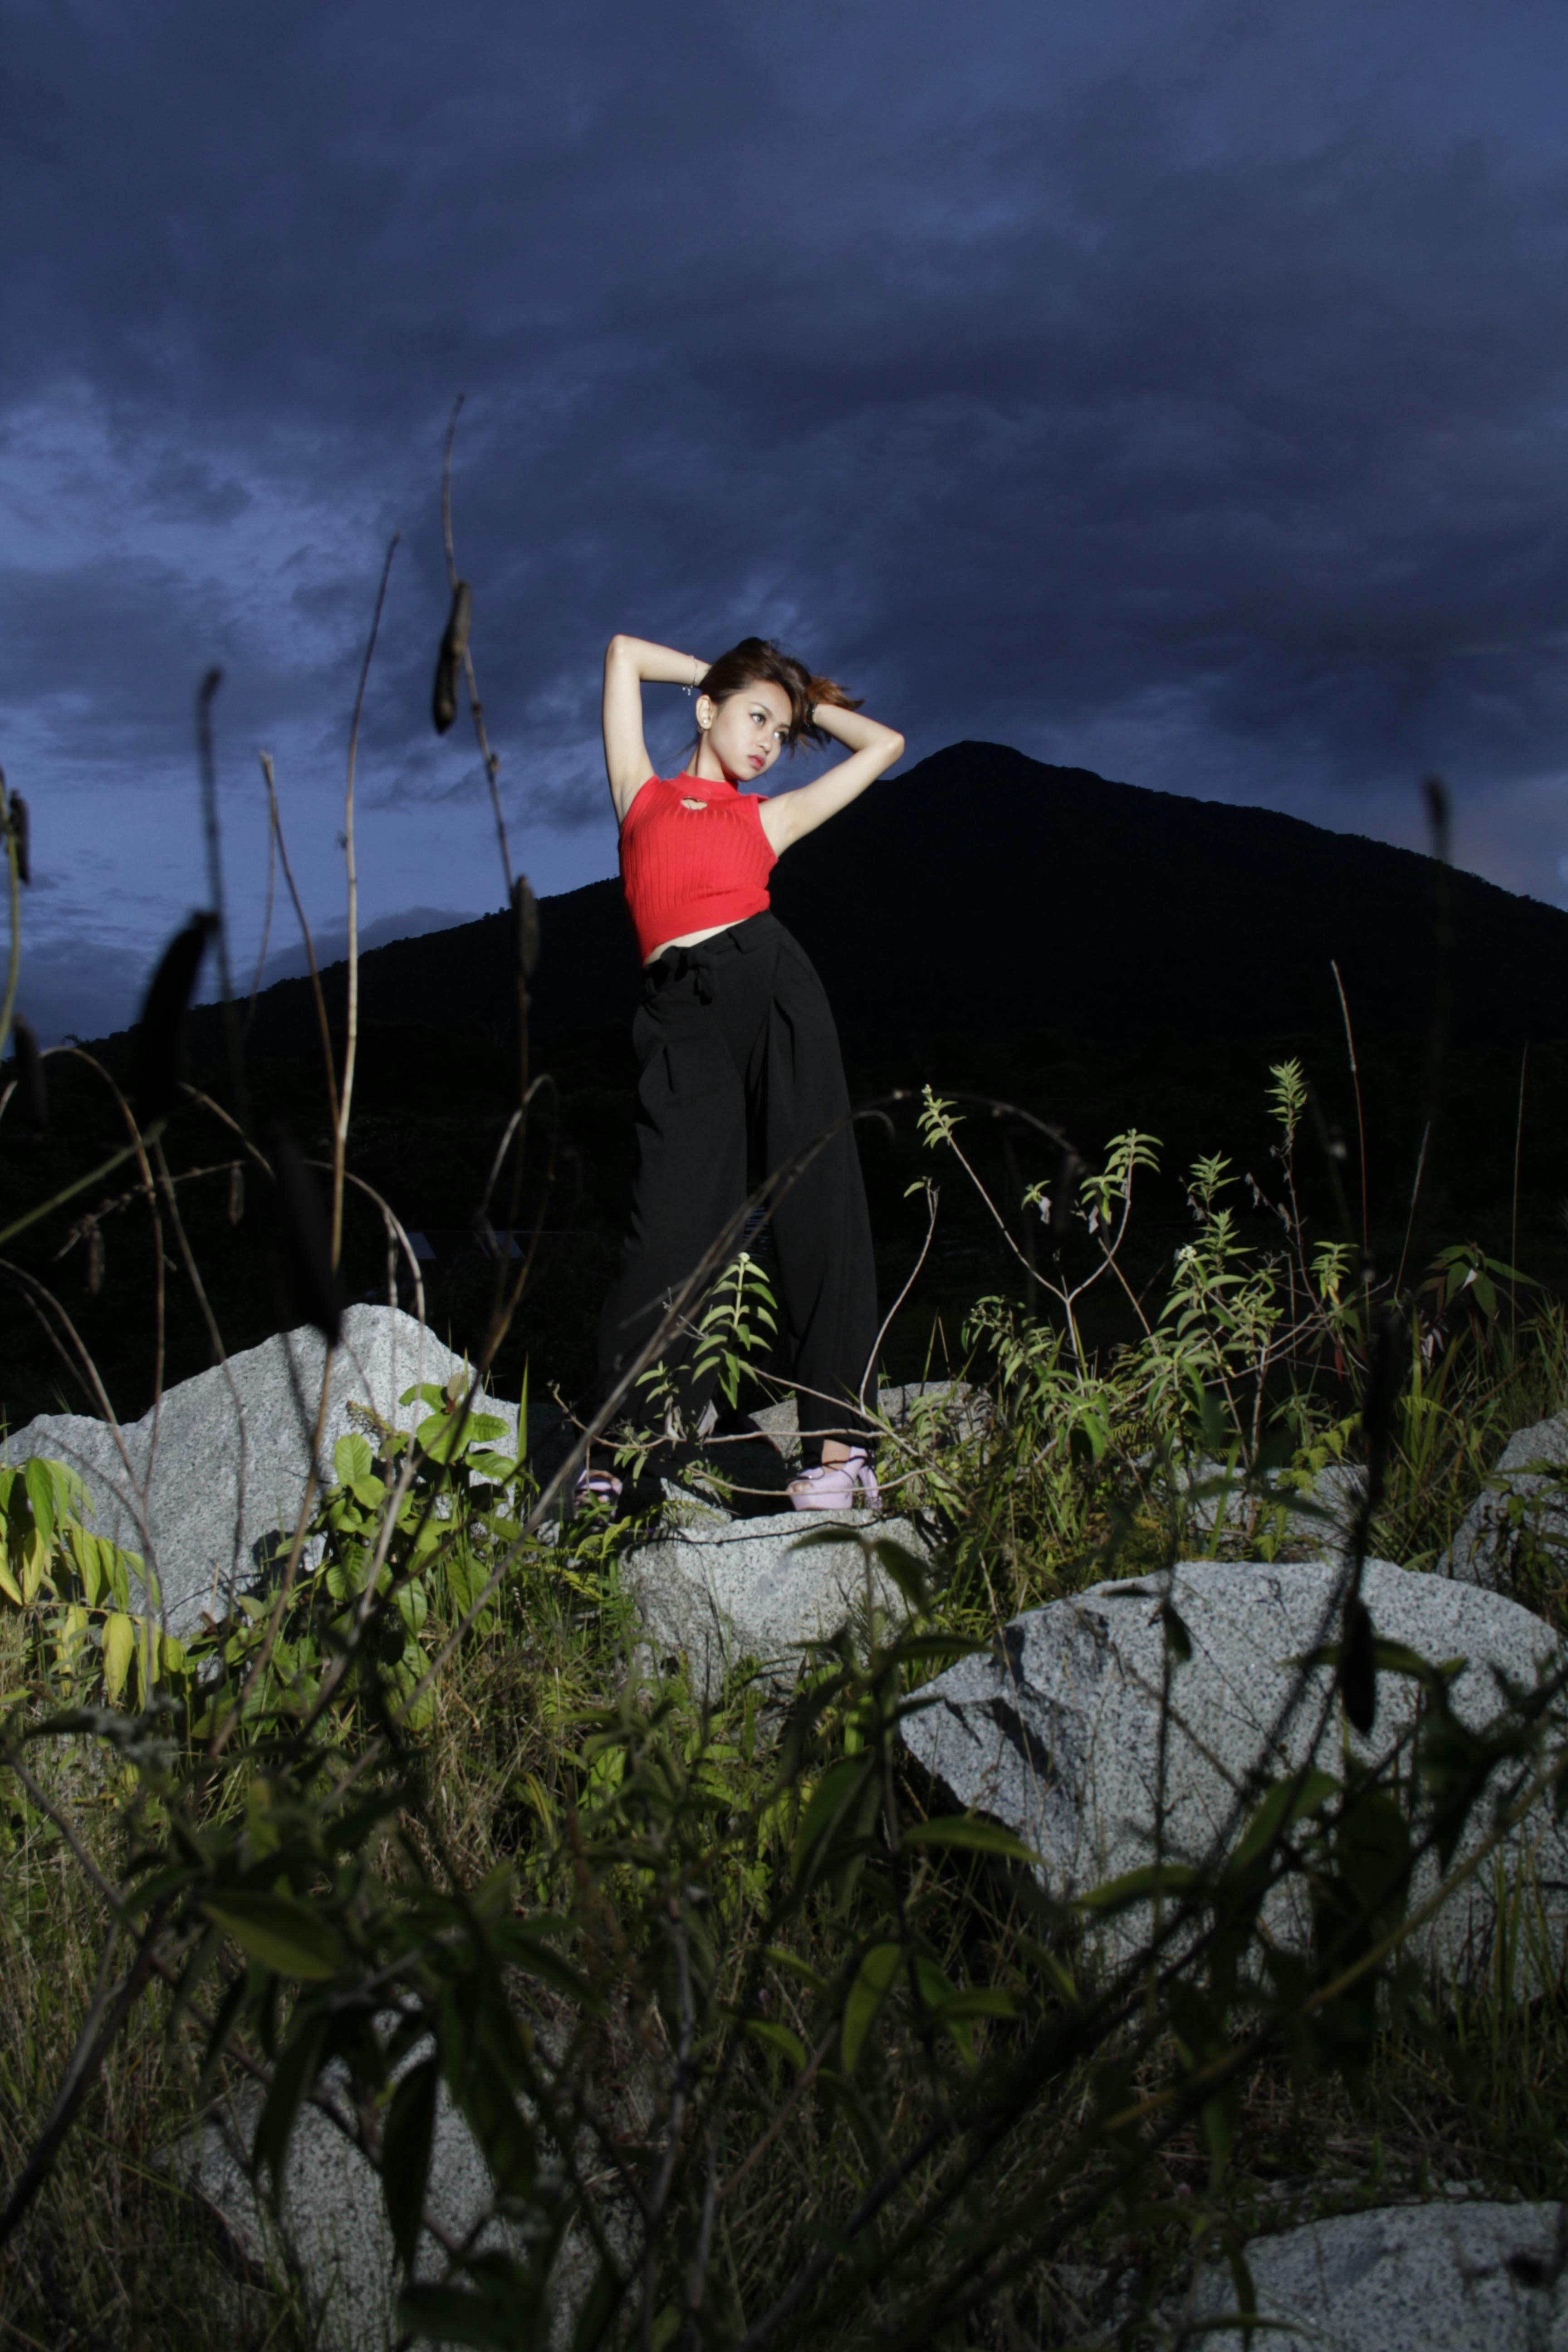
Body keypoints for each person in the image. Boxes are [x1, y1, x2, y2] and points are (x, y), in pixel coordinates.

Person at [580, 632, 904, 1510]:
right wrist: (722, 676)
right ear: (707, 709)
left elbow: (885, 745)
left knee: (816, 1202)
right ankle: (614, 1455)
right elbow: (619, 655)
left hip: (770, 985)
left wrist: (797, 698)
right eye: (754, 719)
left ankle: (838, 1457)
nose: (767, 742)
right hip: (678, 1019)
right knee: (669, 1232)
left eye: (781, 732)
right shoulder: (638, 792)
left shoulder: (769, 817)